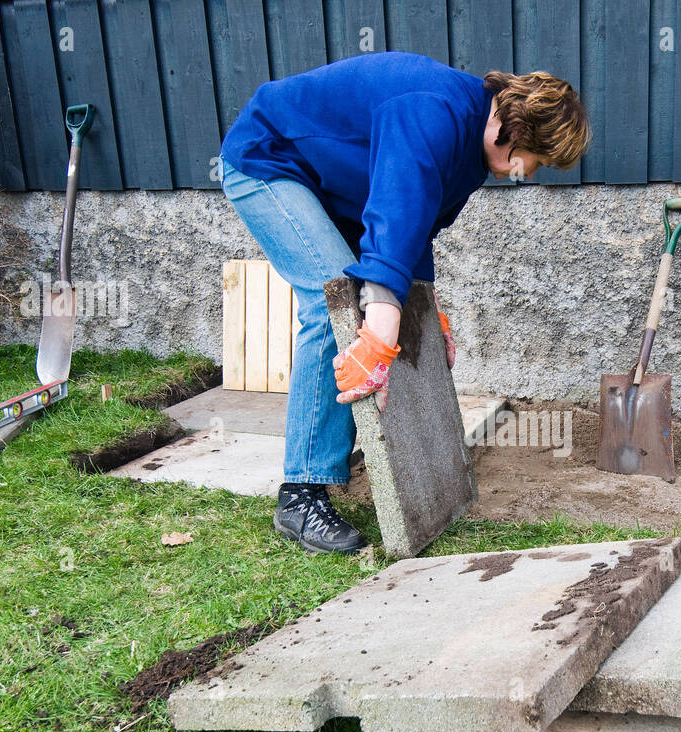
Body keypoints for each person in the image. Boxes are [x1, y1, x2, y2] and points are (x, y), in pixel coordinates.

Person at [219, 51, 590, 554]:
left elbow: (413, 226)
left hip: (335, 186)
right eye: (536, 160)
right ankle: (300, 493)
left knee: (368, 307)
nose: (528, 171)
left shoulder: (471, 153)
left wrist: (424, 310)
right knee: (332, 301)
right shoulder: (433, 111)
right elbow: (395, 213)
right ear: (515, 127)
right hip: (270, 159)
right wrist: (379, 329)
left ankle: (327, 461)